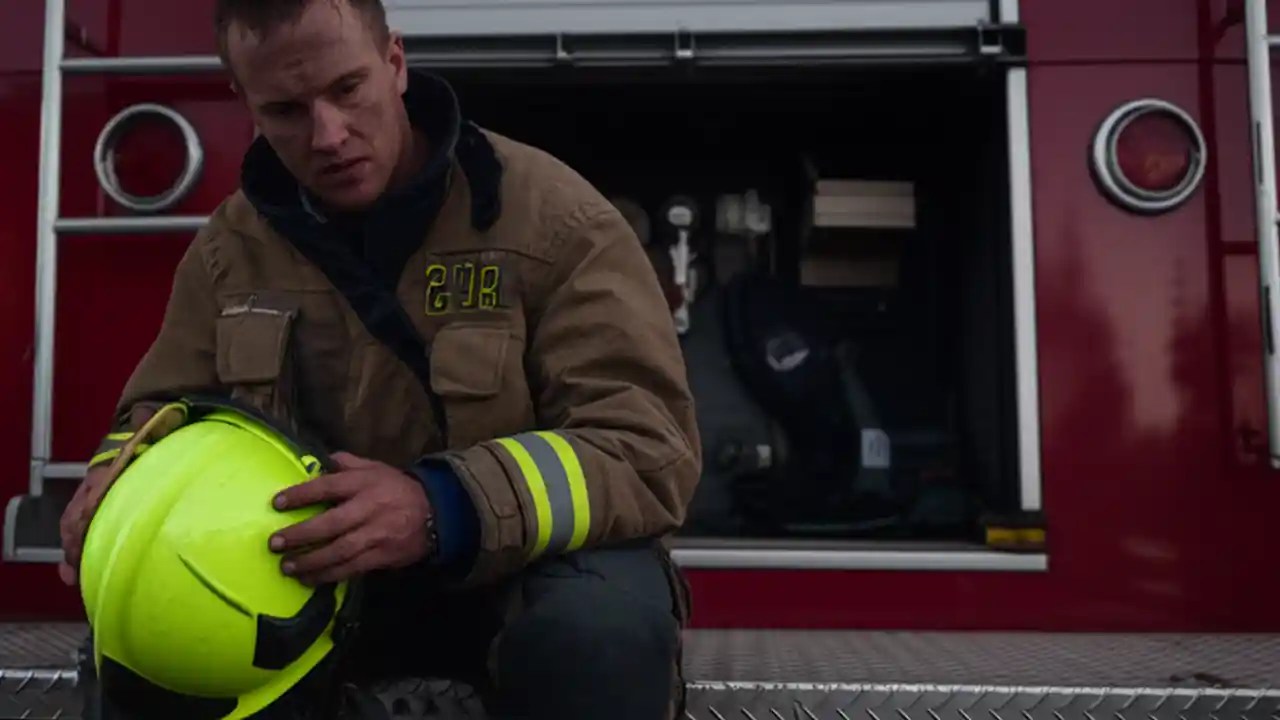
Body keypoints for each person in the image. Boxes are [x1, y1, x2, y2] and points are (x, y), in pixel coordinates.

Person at [56, 0, 702, 717]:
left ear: (395, 63)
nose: (328, 136)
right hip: (315, 581)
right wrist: (118, 481)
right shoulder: (229, 249)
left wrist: (440, 504)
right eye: (286, 110)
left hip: (516, 577)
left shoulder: (554, 222)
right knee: (145, 638)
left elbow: (647, 450)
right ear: (244, 103)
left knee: (597, 637)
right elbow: (165, 406)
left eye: (346, 89)